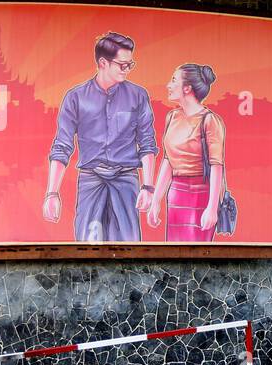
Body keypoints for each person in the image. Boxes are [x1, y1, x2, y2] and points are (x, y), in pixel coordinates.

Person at [45, 31, 158, 242]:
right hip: (90, 179)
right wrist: (52, 193)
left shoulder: (138, 95)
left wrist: (148, 186)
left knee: (129, 245)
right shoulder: (75, 97)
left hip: (126, 180)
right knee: (85, 245)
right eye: (122, 65)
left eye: (130, 65)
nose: (127, 70)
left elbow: (147, 142)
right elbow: (62, 147)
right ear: (103, 63)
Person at [148, 64, 226, 242]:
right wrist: (155, 202)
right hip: (176, 193)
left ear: (187, 88)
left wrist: (212, 208)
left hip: (200, 194)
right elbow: (168, 161)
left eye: (173, 80)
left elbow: (216, 166)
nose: (168, 85)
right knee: (175, 247)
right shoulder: (172, 117)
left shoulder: (210, 120)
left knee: (196, 249)